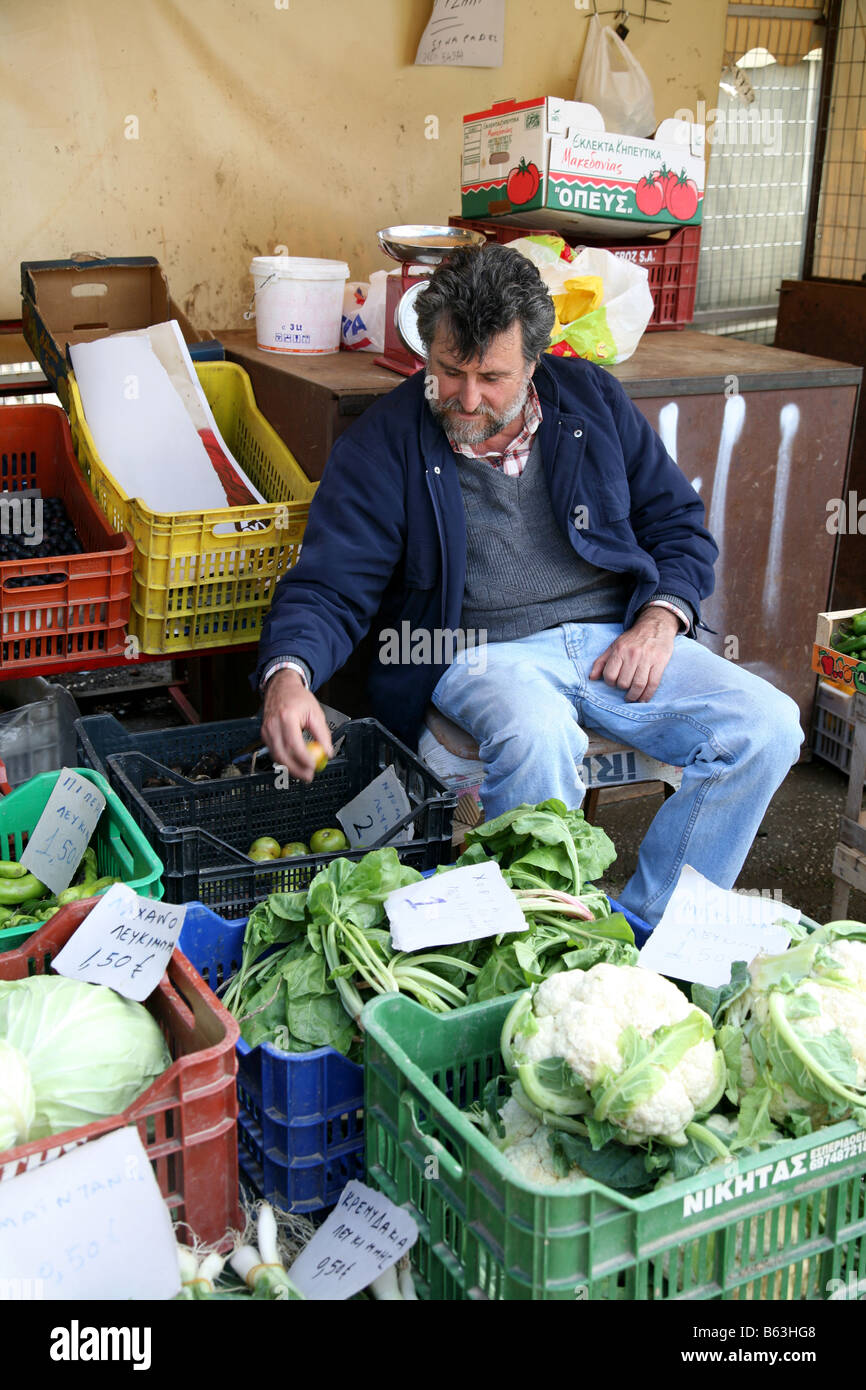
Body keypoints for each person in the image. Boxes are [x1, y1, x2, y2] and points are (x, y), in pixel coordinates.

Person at [256, 243, 803, 925]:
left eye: (492, 377)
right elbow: (329, 587)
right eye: (450, 371)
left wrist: (660, 619)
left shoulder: (592, 399)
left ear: (536, 362)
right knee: (537, 736)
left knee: (768, 725)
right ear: (429, 348)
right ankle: (538, 942)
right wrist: (289, 674)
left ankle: (654, 937)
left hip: (616, 638)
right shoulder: (383, 444)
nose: (466, 396)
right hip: (481, 655)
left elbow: (677, 523)